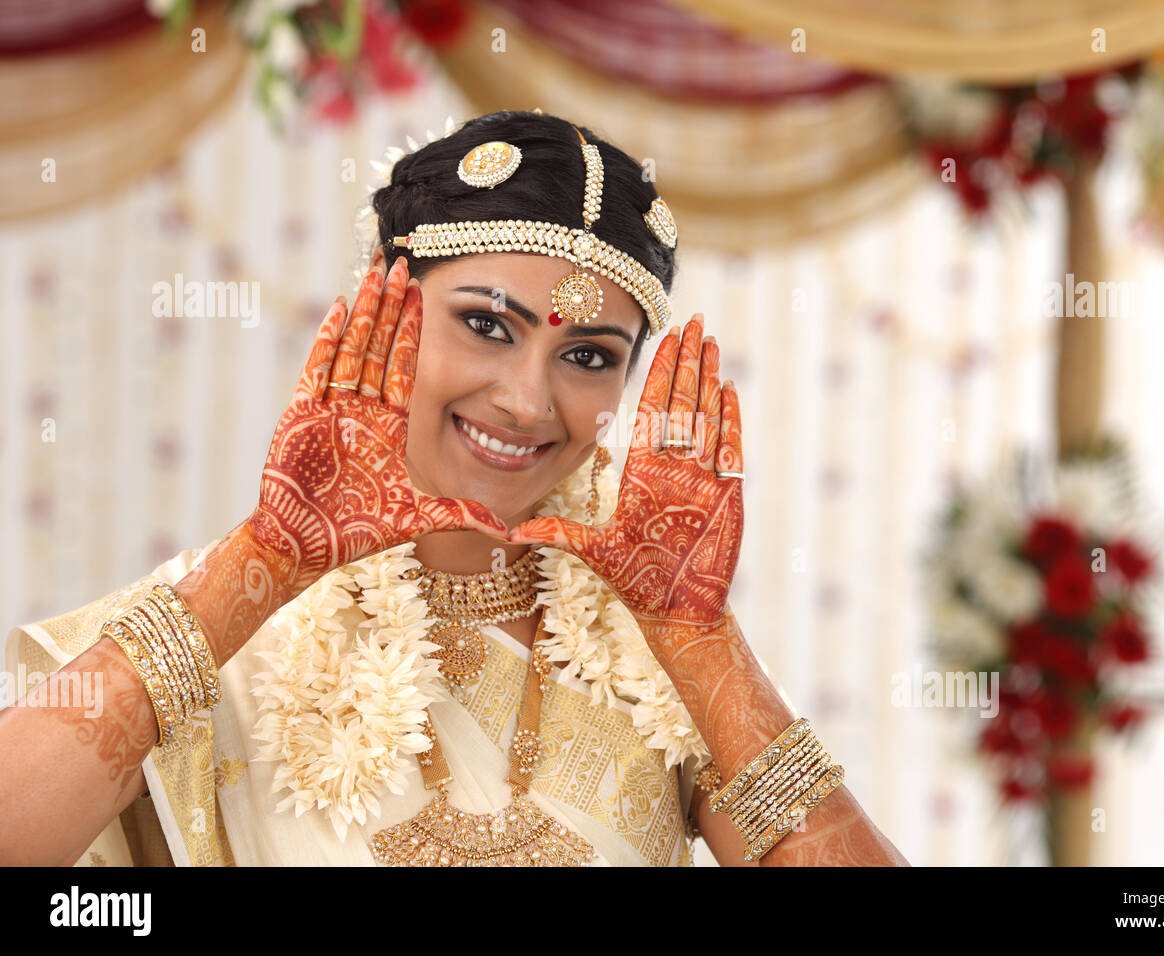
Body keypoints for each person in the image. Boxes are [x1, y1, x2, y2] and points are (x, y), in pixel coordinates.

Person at [0, 110, 907, 867]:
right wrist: (268, 562)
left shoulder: (654, 653)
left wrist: (700, 641)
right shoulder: (230, 611)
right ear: (383, 307)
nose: (526, 401)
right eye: (487, 325)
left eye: (589, 357)